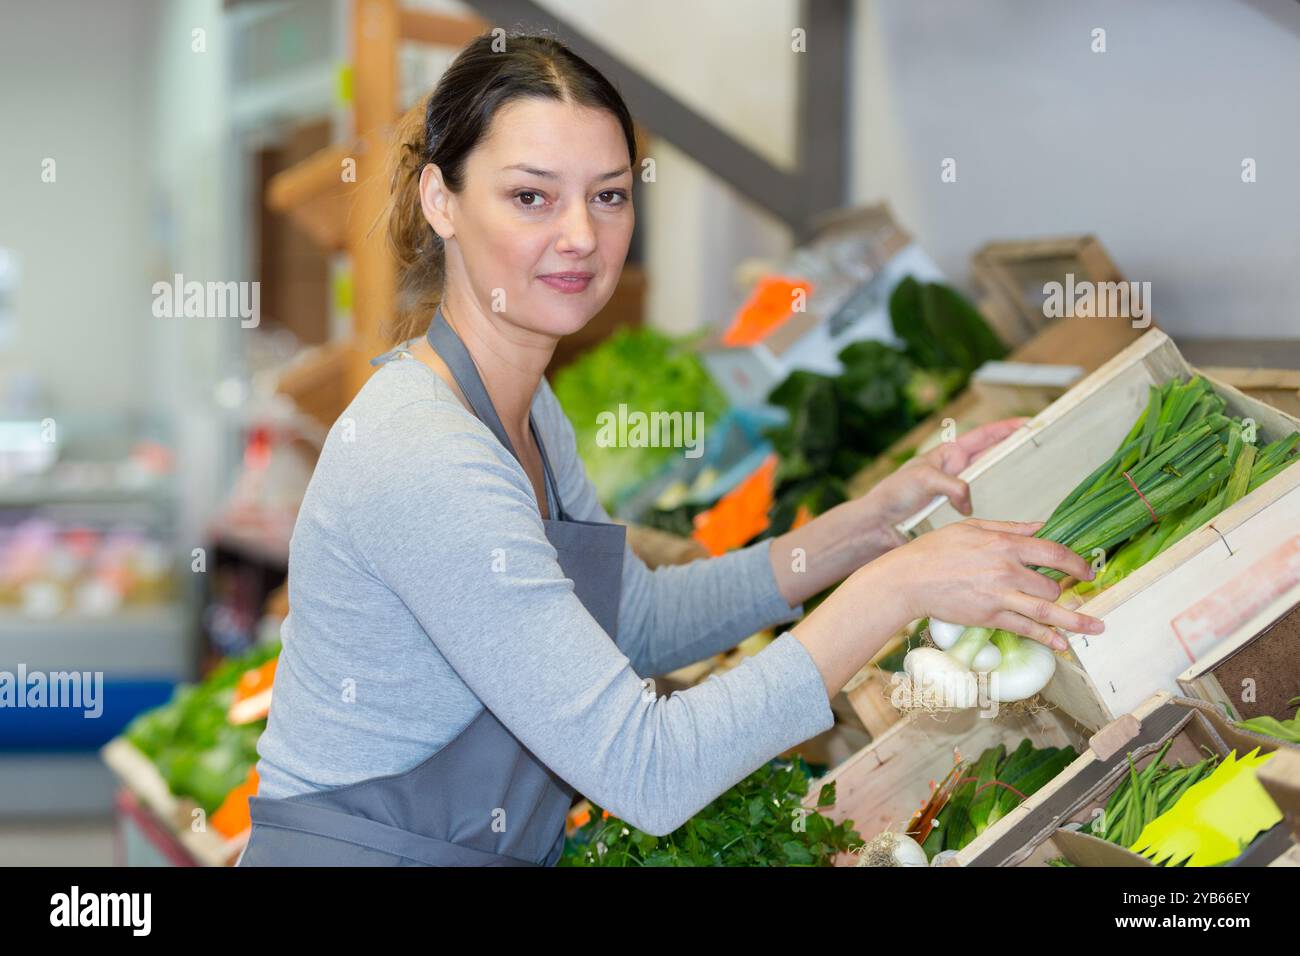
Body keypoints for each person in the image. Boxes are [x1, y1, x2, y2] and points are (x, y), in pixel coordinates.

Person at [238, 32, 1103, 867]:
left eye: (608, 195)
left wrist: (868, 529)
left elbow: (636, 624)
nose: (581, 234)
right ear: (441, 201)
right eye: (532, 196)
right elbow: (648, 770)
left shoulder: (523, 404)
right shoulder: (424, 451)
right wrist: (894, 590)